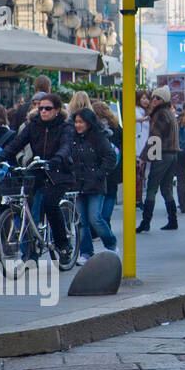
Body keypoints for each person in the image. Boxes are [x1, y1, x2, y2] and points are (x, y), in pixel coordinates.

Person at [2, 92, 72, 252]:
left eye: (48, 108)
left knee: (50, 204)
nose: (43, 111)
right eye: (41, 108)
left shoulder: (65, 127)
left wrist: (57, 159)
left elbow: (66, 146)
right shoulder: (33, 125)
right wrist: (0, 158)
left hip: (59, 172)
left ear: (57, 110)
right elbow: (16, 144)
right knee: (25, 203)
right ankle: (30, 254)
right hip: (38, 170)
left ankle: (63, 246)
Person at [64, 107, 118, 262]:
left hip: (95, 185)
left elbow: (110, 157)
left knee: (95, 218)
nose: (78, 125)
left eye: (81, 122)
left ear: (89, 123)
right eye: (76, 122)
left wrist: (99, 174)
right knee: (81, 222)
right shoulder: (71, 138)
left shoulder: (99, 138)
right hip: (77, 185)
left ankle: (111, 244)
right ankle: (86, 252)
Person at [137, 87, 179, 232]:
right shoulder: (169, 113)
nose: (154, 100)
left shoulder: (160, 115)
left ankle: (146, 222)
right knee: (166, 188)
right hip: (172, 154)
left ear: (164, 100)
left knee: (152, 188)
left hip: (162, 154)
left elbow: (154, 138)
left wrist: (143, 157)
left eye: (158, 98)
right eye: (153, 97)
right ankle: (173, 220)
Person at [92, 101, 123, 234]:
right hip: (114, 166)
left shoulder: (93, 127)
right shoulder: (116, 127)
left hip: (98, 166)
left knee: (100, 195)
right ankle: (106, 220)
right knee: (111, 194)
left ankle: (100, 223)